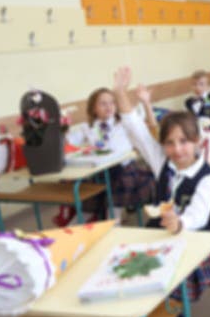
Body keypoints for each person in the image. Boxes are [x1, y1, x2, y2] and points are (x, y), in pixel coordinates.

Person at [114, 67, 210, 317]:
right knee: (130, 276)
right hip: (160, 238)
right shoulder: (164, 163)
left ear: (198, 142)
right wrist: (121, 92)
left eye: (184, 142)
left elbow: (198, 217)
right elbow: (134, 128)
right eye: (170, 143)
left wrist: (178, 223)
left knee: (166, 286)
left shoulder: (208, 178)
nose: (177, 150)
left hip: (197, 245)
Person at [60, 87, 156, 225]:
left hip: (123, 172)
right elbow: (67, 142)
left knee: (113, 210)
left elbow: (149, 126)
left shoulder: (124, 123)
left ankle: (114, 226)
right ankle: (68, 234)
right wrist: (62, 127)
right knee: (86, 209)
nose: (109, 106)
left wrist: (147, 103)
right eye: (103, 103)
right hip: (99, 174)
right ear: (93, 109)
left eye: (112, 103)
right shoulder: (87, 127)